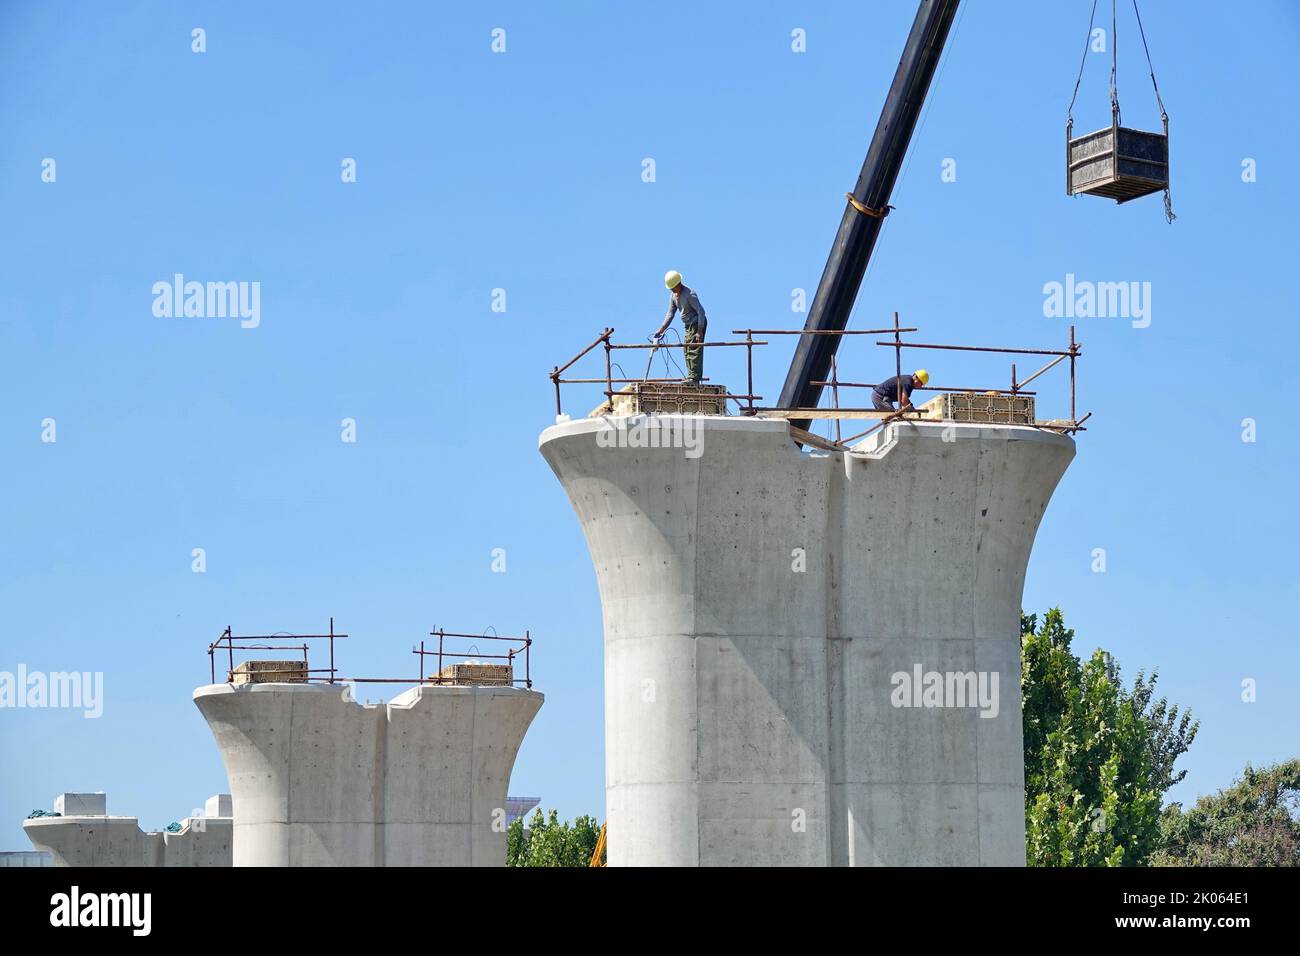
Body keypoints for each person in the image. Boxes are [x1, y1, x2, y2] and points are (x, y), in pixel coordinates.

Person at [652, 270, 707, 384]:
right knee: (686, 349)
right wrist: (662, 329)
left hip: (697, 323)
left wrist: (699, 331)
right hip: (688, 325)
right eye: (671, 288)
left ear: (679, 283)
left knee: (694, 349)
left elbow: (701, 312)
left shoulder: (689, 294)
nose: (672, 290)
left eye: (674, 287)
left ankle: (694, 378)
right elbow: (670, 313)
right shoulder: (673, 296)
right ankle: (691, 376)